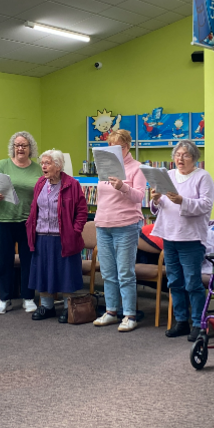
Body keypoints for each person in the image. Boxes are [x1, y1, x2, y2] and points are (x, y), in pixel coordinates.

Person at [150, 140, 214, 342]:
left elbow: (206, 205)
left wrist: (182, 201)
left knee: (193, 283)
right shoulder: (168, 176)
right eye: (177, 154)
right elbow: (160, 207)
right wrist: (155, 199)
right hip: (169, 236)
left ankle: (198, 323)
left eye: (185, 155)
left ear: (194, 158)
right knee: (174, 281)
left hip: (191, 238)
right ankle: (181, 321)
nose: (180, 158)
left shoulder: (203, 177)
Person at [25, 150, 88, 322]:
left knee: (65, 272)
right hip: (41, 235)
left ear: (58, 166)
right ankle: (46, 306)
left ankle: (69, 308)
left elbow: (82, 210)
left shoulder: (72, 184)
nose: (43, 166)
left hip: (63, 237)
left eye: (48, 163)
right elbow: (34, 207)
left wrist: (75, 230)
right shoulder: (40, 183)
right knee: (43, 272)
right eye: (42, 163)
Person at [93, 129, 146, 332]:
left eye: (119, 147)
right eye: (111, 147)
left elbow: (139, 197)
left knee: (125, 272)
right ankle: (111, 311)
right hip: (103, 224)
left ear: (128, 147)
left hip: (126, 225)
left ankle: (129, 315)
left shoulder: (137, 168)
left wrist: (123, 187)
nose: (115, 151)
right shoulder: (105, 167)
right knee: (107, 272)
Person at [0, 131, 42, 315]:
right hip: (2, 219)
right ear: (13, 147)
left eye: (24, 146)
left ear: (30, 148)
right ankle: (5, 299)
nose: (20, 148)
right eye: (17, 145)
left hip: (27, 220)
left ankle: (28, 297)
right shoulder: (2, 164)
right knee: (5, 259)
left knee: (28, 259)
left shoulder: (37, 169)